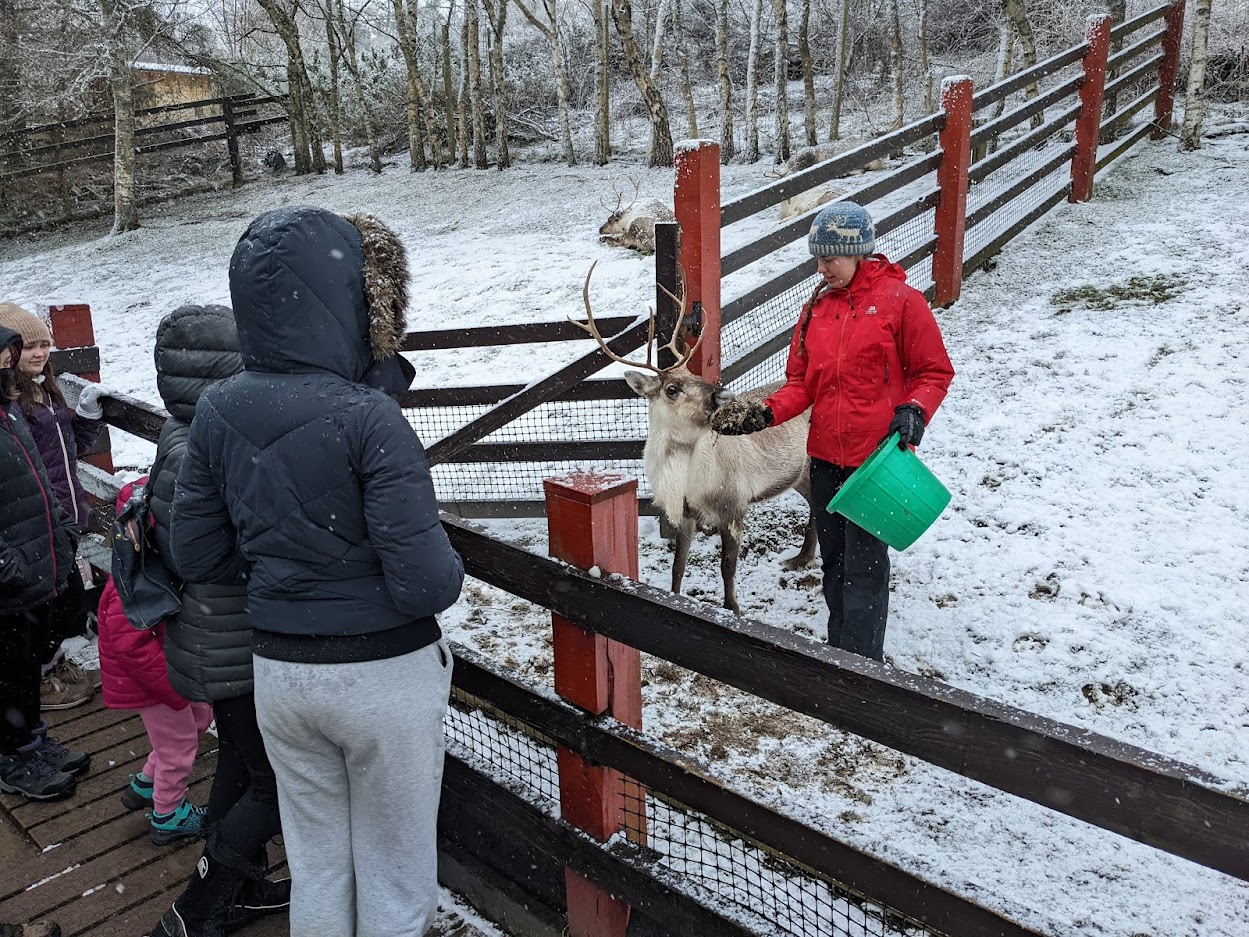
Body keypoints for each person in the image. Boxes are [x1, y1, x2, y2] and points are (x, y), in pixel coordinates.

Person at [164, 207, 464, 937]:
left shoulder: (218, 410)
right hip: (381, 675)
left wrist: (281, 562)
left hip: (280, 674)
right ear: (356, 301)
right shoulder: (370, 418)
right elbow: (426, 583)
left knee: (319, 863)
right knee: (394, 872)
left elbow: (197, 554)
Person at [711, 201, 954, 662]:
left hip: (875, 462)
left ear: (859, 252)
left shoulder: (902, 303)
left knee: (864, 567)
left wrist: (915, 410)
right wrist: (764, 414)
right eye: (818, 259)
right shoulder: (815, 310)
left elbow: (933, 371)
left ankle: (860, 666)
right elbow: (801, 384)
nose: (821, 269)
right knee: (836, 562)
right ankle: (839, 652)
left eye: (830, 258)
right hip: (824, 457)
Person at [145, 304, 289, 936]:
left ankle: (241, 891)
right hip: (227, 644)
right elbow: (205, 552)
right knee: (274, 783)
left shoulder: (184, 434)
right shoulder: (205, 451)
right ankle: (199, 907)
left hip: (214, 641)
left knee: (239, 764)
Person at [97, 477, 213, 844]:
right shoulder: (132, 585)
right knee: (179, 748)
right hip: (153, 684)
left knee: (196, 720)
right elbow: (131, 646)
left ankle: (147, 783)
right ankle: (168, 815)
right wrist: (173, 690)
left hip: (164, 674)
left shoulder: (150, 568)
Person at [0, 327, 89, 801]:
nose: (9, 364)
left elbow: (38, 478)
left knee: (26, 666)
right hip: (10, 578)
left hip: (34, 563)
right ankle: (11, 757)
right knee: (7, 673)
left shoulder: (9, 410)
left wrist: (63, 530)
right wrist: (8, 567)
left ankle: (31, 739)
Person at [0, 301, 102, 712]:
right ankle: (42, 678)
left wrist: (87, 418)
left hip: (62, 517)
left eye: (44, 345)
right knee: (54, 604)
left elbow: (70, 449)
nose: (39, 353)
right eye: (28, 347)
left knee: (61, 601)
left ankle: (47, 668)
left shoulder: (46, 388)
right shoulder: (12, 402)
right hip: (38, 521)